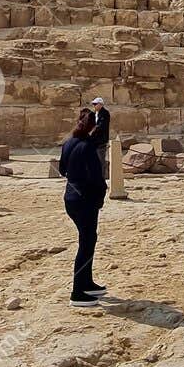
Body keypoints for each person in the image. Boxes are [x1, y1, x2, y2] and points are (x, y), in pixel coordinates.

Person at [58, 107, 108, 307]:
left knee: (87, 241)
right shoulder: (88, 147)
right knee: (86, 245)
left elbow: (62, 169)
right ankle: (78, 293)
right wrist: (100, 197)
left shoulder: (68, 143)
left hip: (70, 198)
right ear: (93, 126)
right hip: (85, 200)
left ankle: (87, 283)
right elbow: (97, 177)